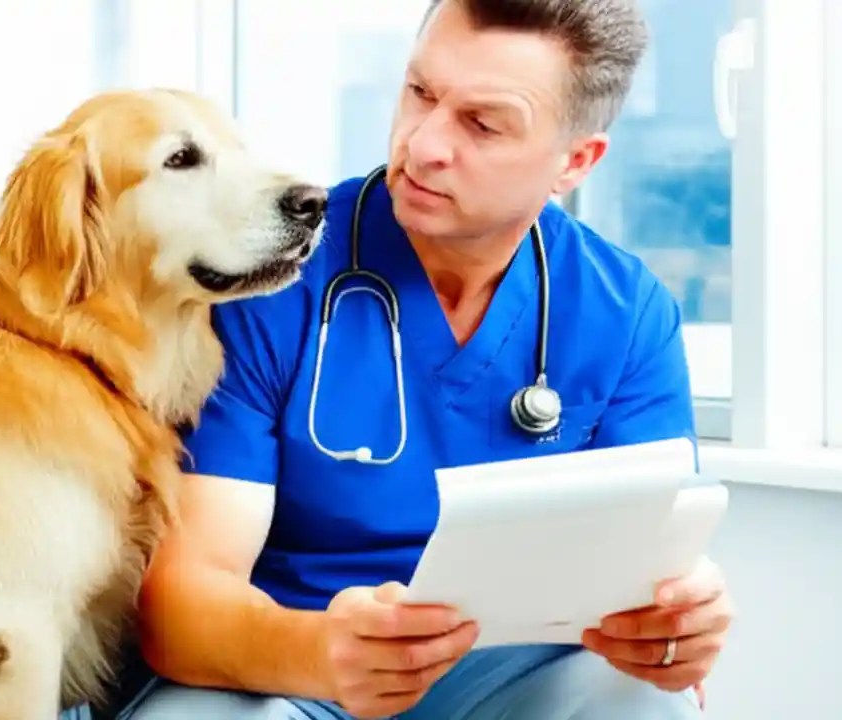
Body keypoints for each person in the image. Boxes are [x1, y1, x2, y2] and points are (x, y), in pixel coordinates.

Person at [104, 0, 736, 718]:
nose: (425, 143)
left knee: (648, 704)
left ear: (575, 162)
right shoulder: (271, 281)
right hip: (287, 669)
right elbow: (181, 603)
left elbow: (646, 576)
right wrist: (319, 656)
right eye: (421, 93)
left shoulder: (623, 313)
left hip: (512, 677)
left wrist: (676, 628)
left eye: (483, 124)